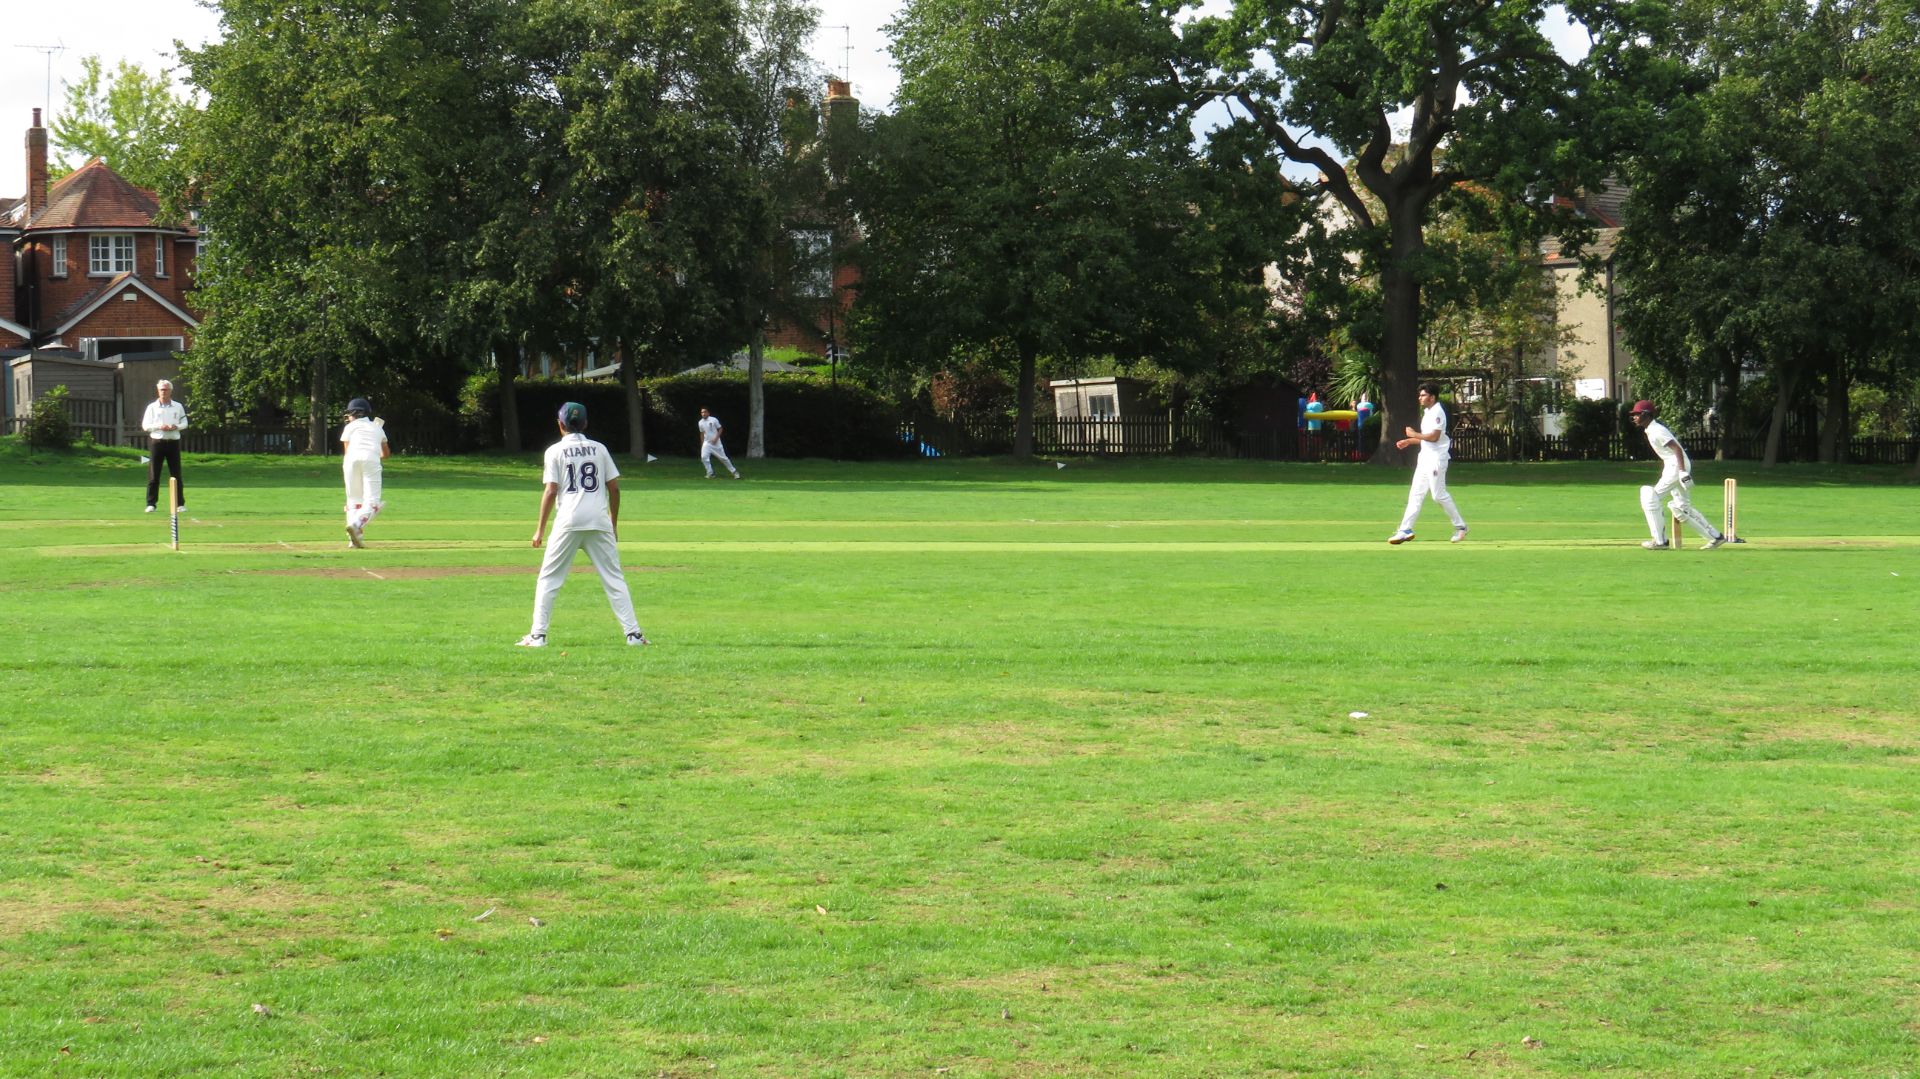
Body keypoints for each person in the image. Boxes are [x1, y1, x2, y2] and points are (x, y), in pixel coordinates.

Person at [518, 402, 648, 648]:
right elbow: (615, 488)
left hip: (567, 521)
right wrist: (613, 523)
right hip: (599, 521)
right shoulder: (599, 449)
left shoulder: (554, 451)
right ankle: (634, 635)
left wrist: (540, 530)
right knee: (614, 579)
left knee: (549, 579)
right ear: (586, 423)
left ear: (560, 424)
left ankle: (538, 636)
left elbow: (550, 491)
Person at [1629, 399, 1727, 550]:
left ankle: (1660, 541)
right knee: (1681, 508)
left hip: (1675, 466)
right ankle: (1716, 537)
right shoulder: (1651, 429)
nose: (1634, 417)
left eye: (1636, 414)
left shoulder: (1657, 430)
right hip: (1673, 465)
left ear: (1645, 414)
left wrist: (1681, 471)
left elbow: (1676, 449)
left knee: (1650, 497)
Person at [1388, 382, 1468, 545]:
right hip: (1425, 458)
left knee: (1438, 495)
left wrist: (1414, 434)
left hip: (1436, 459)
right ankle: (1405, 529)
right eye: (1420, 395)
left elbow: (1434, 437)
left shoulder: (1438, 411)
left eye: (1423, 395)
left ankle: (1461, 527)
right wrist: (1410, 441)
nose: (1420, 398)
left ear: (1432, 397)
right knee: (1415, 494)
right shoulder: (1428, 411)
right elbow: (1428, 439)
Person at [340, 397, 390, 549]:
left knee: (353, 500)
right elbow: (386, 454)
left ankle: (353, 539)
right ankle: (356, 525)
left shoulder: (349, 427)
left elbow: (347, 450)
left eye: (349, 414)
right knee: (373, 501)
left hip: (350, 460)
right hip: (370, 460)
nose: (348, 417)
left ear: (355, 413)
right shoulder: (377, 427)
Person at [142, 379, 189, 513]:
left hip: (173, 443)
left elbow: (185, 422)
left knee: (176, 475)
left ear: (170, 391)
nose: (164, 392)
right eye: (161, 389)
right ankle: (151, 503)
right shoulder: (152, 407)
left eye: (166, 389)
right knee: (154, 475)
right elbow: (146, 426)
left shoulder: (178, 406)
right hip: (158, 443)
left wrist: (176, 426)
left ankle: (180, 504)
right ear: (158, 390)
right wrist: (159, 426)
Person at [697, 407, 741, 479]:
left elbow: (720, 429)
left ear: (708, 413)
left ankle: (735, 472)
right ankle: (710, 473)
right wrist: (702, 444)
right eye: (702, 412)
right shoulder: (700, 422)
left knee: (723, 458)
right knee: (704, 457)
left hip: (716, 443)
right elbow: (702, 433)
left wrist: (716, 438)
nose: (703, 414)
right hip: (707, 443)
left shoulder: (713, 420)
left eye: (705, 412)